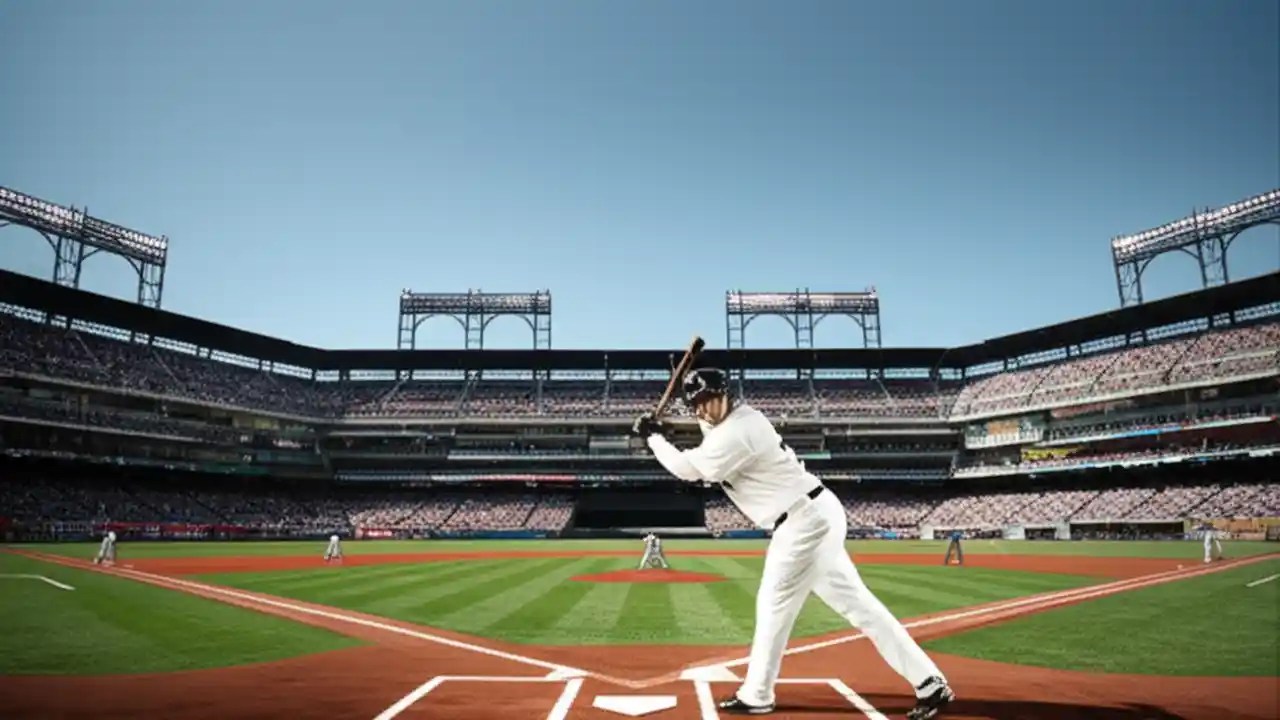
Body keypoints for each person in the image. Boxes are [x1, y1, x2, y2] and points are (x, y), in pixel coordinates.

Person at [632, 367, 953, 718]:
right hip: (813, 514)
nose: (706, 409)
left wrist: (654, 438)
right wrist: (663, 430)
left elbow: (688, 469)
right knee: (860, 606)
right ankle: (929, 682)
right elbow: (708, 431)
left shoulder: (740, 430)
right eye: (698, 404)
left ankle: (757, 694)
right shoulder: (730, 424)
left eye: (711, 399)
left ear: (727, 395)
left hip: (803, 523)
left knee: (774, 604)